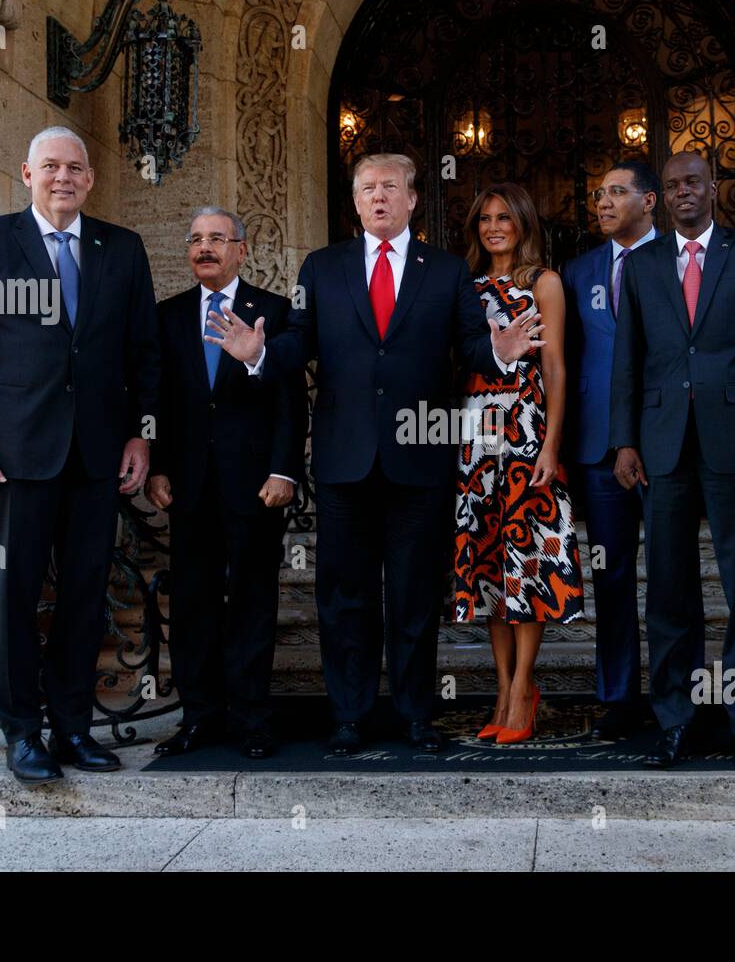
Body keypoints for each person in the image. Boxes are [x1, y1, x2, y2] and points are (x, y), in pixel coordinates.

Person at [204, 153, 540, 755]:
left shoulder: (444, 271)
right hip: (343, 460)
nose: (378, 197)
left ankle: (415, 714)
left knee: (413, 595)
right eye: (366, 188)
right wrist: (258, 354)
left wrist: (502, 352)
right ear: (354, 202)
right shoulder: (322, 267)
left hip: (420, 456)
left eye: (390, 187)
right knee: (344, 595)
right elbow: (300, 341)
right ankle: (350, 715)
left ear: (413, 199)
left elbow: (470, 346)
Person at [0, 126, 161, 785]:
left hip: (96, 456)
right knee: (13, 596)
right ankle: (22, 734)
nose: (64, 177)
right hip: (12, 455)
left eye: (76, 168)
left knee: (85, 597)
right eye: (51, 166)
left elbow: (143, 354)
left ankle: (72, 729)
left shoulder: (122, 249)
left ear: (90, 179)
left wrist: (141, 434)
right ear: (26, 174)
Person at [610, 151, 735, 769]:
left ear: (714, 189)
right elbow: (627, 358)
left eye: (694, 182)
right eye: (674, 185)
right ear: (661, 197)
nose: (685, 192)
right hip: (660, 446)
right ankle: (676, 721)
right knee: (667, 588)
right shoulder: (642, 264)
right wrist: (624, 440)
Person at [146, 207, 306, 760]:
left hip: (256, 483)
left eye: (217, 238)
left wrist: (284, 469)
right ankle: (199, 718)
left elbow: (291, 400)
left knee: (253, 602)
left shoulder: (275, 312)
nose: (204, 248)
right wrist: (159, 466)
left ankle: (252, 720)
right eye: (195, 239)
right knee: (191, 604)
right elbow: (157, 400)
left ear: (241, 249)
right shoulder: (165, 316)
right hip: (188, 485)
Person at [454, 182, 583, 746]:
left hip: (527, 437)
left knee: (526, 567)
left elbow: (555, 369)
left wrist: (552, 447)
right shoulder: (464, 284)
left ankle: (522, 689)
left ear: (525, 221)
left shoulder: (544, 283)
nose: (494, 227)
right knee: (487, 571)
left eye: (505, 216)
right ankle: (502, 685)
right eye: (485, 218)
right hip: (474, 441)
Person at [560, 160, 660, 741]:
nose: (603, 201)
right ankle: (619, 698)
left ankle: (677, 695)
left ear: (649, 203)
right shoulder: (578, 272)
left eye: (617, 192)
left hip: (666, 441)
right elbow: (565, 363)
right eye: (599, 193)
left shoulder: (678, 259)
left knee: (672, 578)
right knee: (611, 575)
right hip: (597, 447)